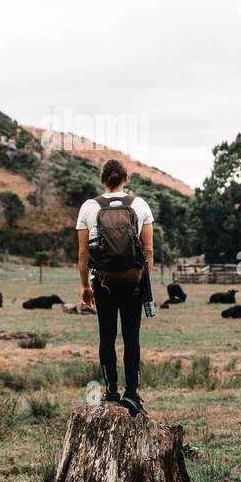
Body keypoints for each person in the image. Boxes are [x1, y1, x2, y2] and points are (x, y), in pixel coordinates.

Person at [76, 158, 154, 415]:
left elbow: (83, 255)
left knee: (107, 336)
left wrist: (85, 287)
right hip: (133, 283)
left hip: (103, 282)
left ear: (102, 179)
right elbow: (149, 249)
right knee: (132, 337)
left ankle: (111, 392)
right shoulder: (140, 205)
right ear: (125, 178)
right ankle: (132, 394)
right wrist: (143, 281)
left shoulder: (89, 207)